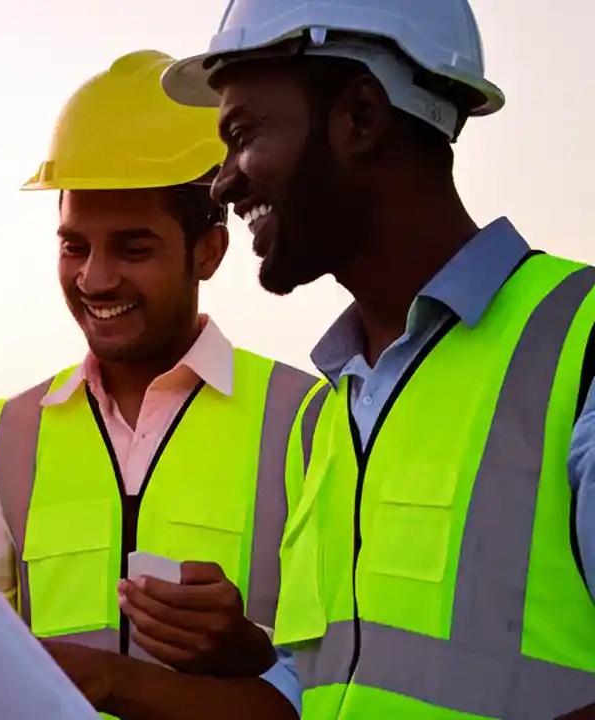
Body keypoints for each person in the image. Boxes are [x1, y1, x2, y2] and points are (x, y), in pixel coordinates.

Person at [143, 0, 595, 717]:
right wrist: (107, 683)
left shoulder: (581, 343)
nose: (222, 181)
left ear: (359, 115)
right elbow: (316, 689)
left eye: (242, 134)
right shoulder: (330, 417)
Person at [0, 50, 326, 719]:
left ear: (208, 250)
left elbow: (332, 687)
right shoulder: (3, 439)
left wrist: (248, 651)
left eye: (133, 247)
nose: (94, 278)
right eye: (74, 246)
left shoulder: (309, 421)